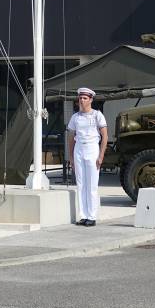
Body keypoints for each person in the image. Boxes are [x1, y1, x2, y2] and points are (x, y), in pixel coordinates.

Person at [66, 87, 107, 227]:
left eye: (85, 98)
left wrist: (101, 155)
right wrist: (71, 157)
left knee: (92, 184)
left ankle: (92, 216)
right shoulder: (75, 117)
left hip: (92, 148)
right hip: (79, 148)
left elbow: (105, 136)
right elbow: (71, 137)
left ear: (91, 100)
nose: (82, 101)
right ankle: (83, 215)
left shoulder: (97, 115)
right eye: (80, 98)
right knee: (81, 183)